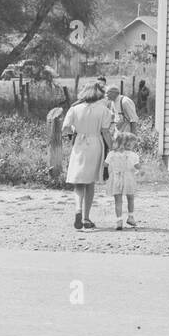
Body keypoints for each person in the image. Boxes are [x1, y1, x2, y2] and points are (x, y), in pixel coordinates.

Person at [61, 81, 112, 230]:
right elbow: (105, 132)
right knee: (90, 182)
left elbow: (65, 128)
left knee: (79, 181)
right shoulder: (104, 110)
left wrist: (74, 131)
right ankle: (86, 218)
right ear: (99, 93)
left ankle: (77, 209)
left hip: (79, 144)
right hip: (95, 143)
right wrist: (113, 147)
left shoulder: (74, 109)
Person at [104, 130, 140, 230]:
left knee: (118, 201)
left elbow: (105, 164)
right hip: (128, 179)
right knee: (130, 198)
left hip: (116, 179)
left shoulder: (111, 154)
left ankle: (119, 220)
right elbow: (137, 166)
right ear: (128, 143)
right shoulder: (133, 155)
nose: (133, 146)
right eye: (133, 144)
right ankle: (131, 217)